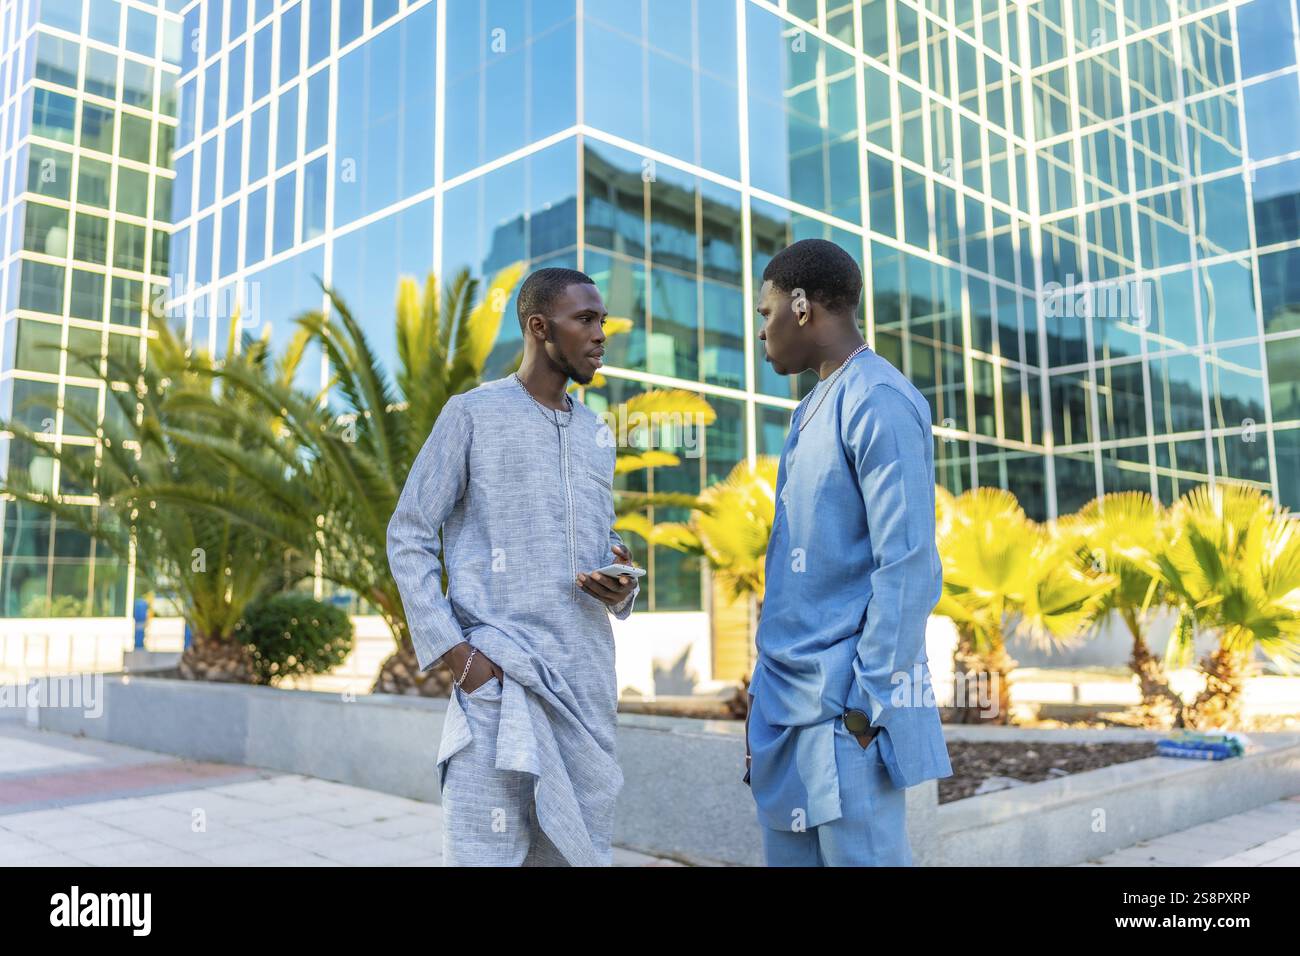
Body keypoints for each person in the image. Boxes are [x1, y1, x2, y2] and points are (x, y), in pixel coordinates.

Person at [387, 267, 639, 866]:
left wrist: (617, 577)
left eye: (602, 320)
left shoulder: (597, 433)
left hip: (585, 687)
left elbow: (594, 539)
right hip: (499, 684)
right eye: (585, 319)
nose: (600, 334)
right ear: (537, 326)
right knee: (485, 856)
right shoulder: (472, 414)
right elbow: (410, 533)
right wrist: (459, 657)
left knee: (574, 856)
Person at [746, 238, 952, 866]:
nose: (761, 330)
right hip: (784, 708)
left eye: (766, 312)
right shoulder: (810, 409)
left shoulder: (878, 399)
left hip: (844, 715)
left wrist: (867, 706)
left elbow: (909, 563)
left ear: (802, 306)